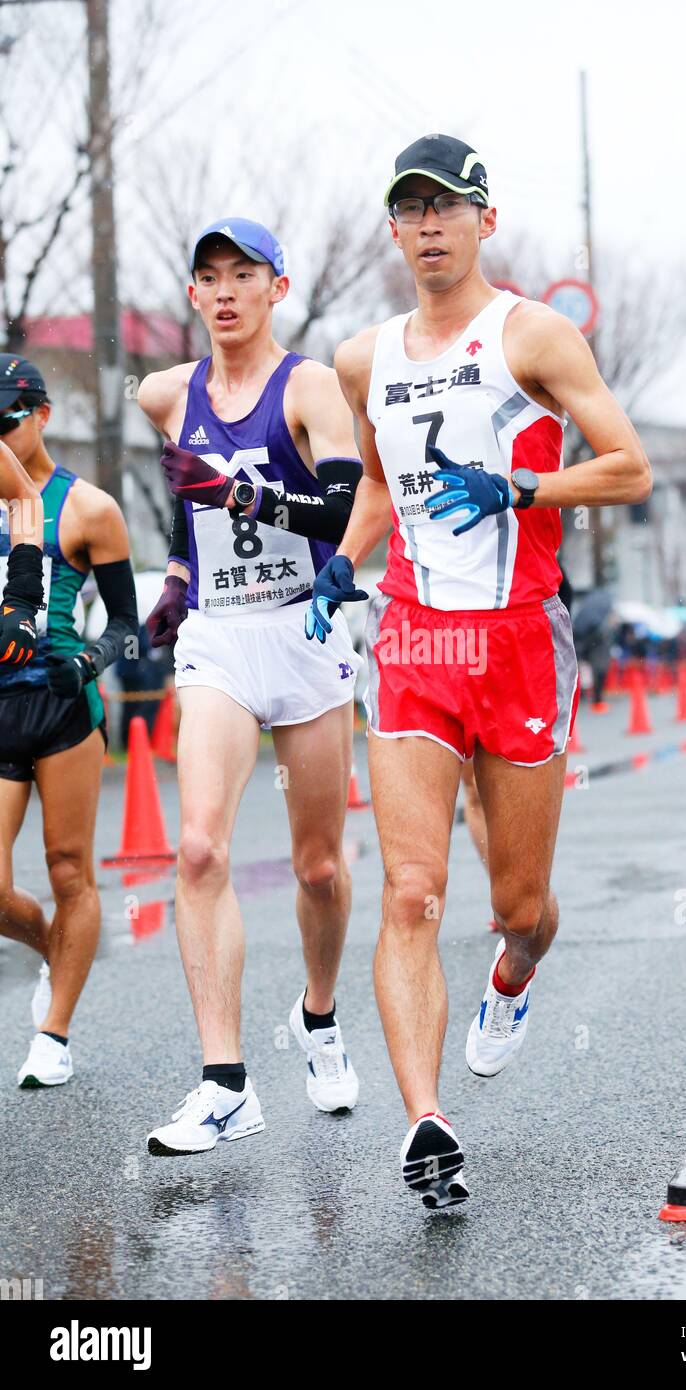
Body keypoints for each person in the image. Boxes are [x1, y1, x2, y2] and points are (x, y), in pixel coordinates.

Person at [307, 135, 652, 1208]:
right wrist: (343, 559)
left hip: (516, 638)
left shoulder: (534, 335)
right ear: (395, 227)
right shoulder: (363, 358)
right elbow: (374, 481)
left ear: (482, 220)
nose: (425, 226)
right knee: (410, 891)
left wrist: (522, 489)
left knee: (518, 902)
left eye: (444, 207)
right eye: (407, 209)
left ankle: (514, 978)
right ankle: (426, 1120)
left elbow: (628, 467)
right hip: (411, 639)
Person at [139, 218, 364, 1156]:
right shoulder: (164, 393)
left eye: (244, 274)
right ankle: (226, 1083)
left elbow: (343, 504)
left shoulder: (308, 385)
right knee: (196, 851)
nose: (225, 291)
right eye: (209, 278)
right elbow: (183, 507)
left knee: (317, 866)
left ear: (278, 286)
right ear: (193, 296)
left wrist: (252, 498)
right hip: (221, 644)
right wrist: (178, 583)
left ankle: (318, 1012)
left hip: (305, 635)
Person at [0, 353, 137, 1088]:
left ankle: (54, 1034)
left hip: (61, 703)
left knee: (66, 868)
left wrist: (88, 663)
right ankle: (59, 950)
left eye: (7, 419)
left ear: (42, 415)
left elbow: (128, 625)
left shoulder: (88, 508)